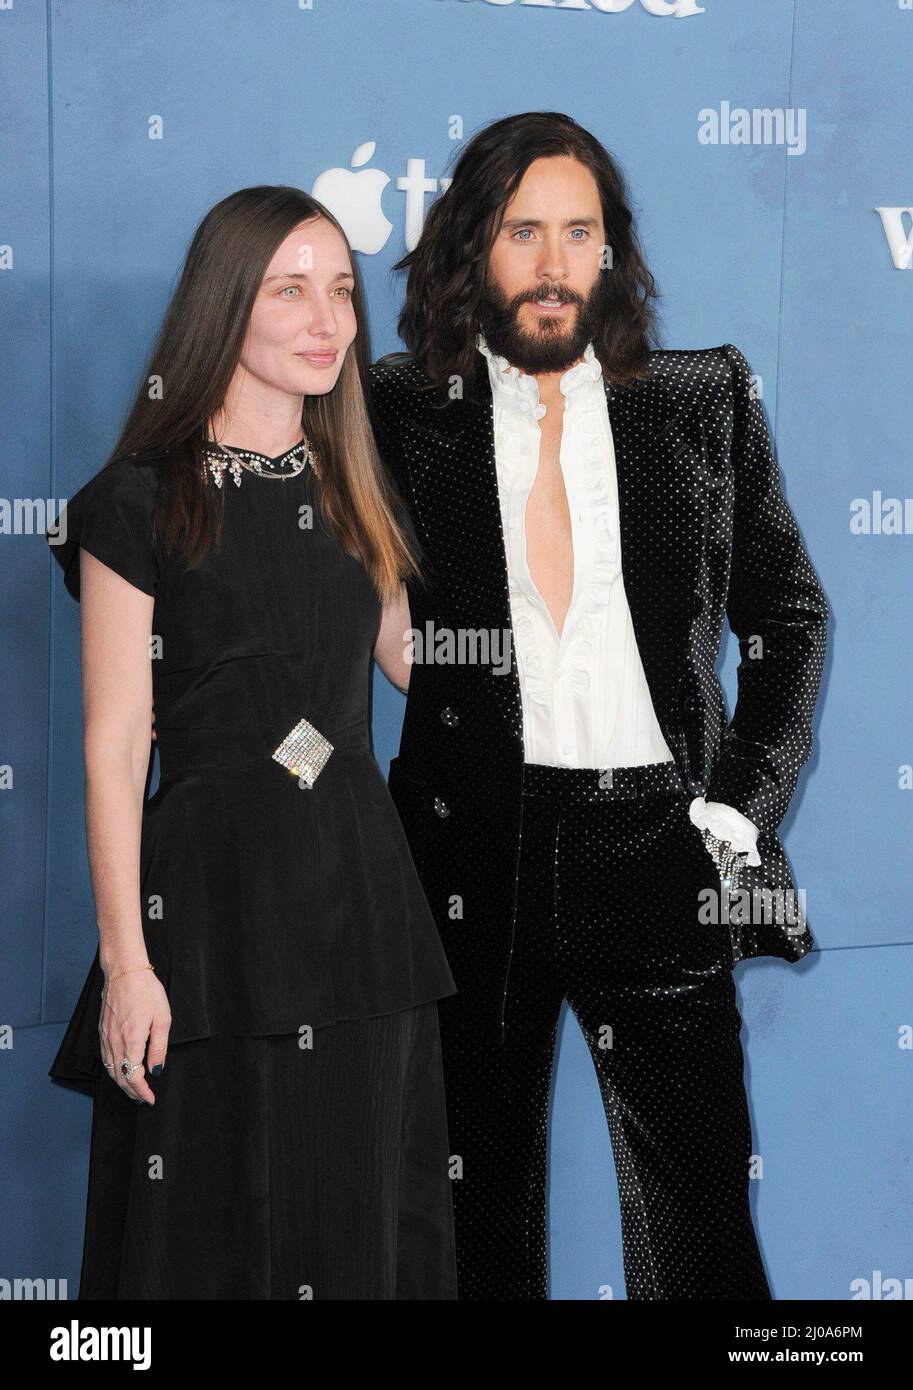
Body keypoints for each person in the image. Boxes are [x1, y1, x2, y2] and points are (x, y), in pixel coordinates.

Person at [368, 112, 830, 1299]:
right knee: (475, 1211)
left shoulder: (699, 396)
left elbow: (789, 617)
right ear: (475, 248)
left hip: (657, 843)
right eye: (524, 231)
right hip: (473, 843)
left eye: (580, 231)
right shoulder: (394, 408)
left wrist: (735, 811)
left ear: (610, 253)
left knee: (700, 1223)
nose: (555, 261)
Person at [45, 185, 458, 1301]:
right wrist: (130, 965)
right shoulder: (136, 504)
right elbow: (115, 746)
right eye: (291, 291)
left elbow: (425, 664)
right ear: (226, 306)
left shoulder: (357, 487)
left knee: (365, 1220)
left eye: (341, 292)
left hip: (363, 913)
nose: (329, 321)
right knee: (212, 1235)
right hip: (211, 917)